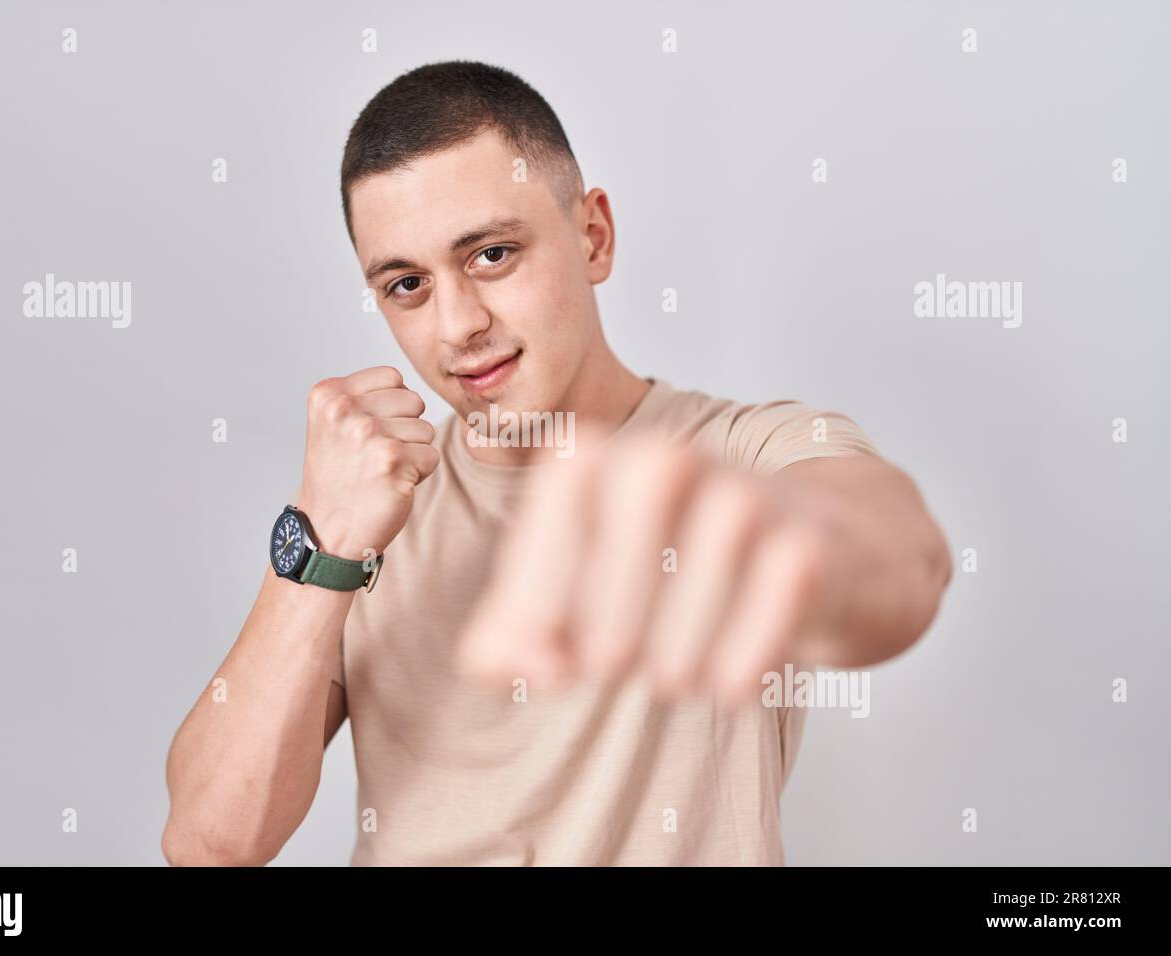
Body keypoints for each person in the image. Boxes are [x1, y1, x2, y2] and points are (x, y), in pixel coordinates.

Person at [161, 60, 952, 866]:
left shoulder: (748, 453)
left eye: (492, 254)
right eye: (407, 284)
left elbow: (896, 566)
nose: (458, 325)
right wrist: (319, 543)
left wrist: (756, 544)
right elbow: (211, 844)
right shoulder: (362, 522)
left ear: (593, 236)